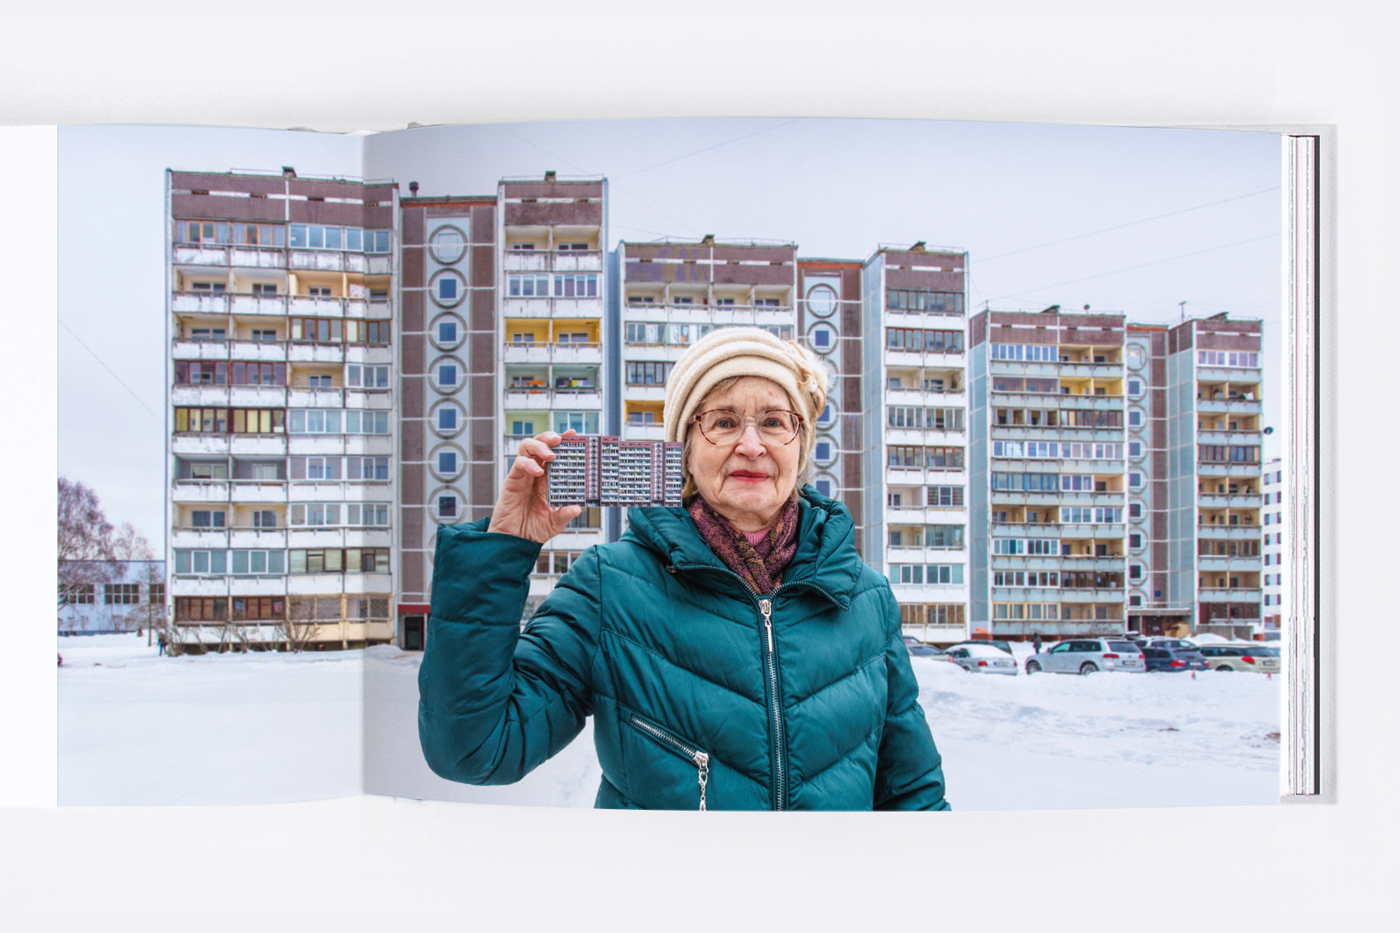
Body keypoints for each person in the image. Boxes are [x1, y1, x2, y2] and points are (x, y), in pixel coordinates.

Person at [418, 327, 949, 811]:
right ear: (685, 452)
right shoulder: (612, 583)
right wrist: (503, 547)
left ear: (801, 445)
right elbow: (475, 748)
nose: (750, 444)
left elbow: (915, 798)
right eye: (722, 422)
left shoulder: (866, 599)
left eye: (773, 422)